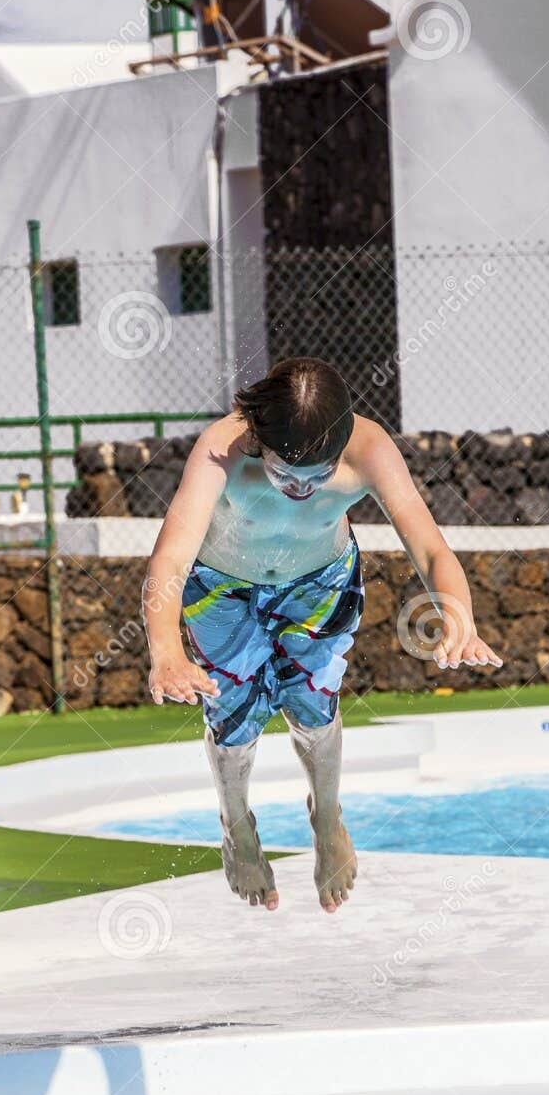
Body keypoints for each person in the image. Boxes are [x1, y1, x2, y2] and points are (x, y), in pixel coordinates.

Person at [143, 357, 502, 914]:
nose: (302, 489)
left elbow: (431, 548)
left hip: (319, 583)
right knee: (233, 714)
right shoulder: (222, 449)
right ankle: (236, 824)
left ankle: (328, 817)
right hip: (222, 587)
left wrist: (460, 617)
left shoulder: (370, 449)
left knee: (315, 704)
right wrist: (165, 650)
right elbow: (170, 559)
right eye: (286, 475)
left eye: (319, 477)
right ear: (258, 440)